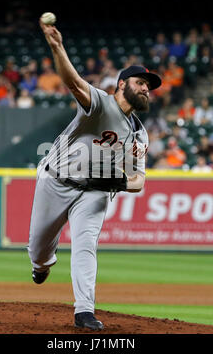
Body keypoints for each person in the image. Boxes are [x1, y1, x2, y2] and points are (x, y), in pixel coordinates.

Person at [27, 19, 161, 331]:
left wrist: (114, 183)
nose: (147, 89)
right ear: (123, 84)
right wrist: (57, 46)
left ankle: (84, 311)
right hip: (55, 181)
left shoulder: (140, 135)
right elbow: (73, 83)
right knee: (38, 249)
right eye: (141, 83)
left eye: (150, 86)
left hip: (95, 193)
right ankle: (42, 264)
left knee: (86, 244)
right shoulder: (101, 103)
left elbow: (139, 181)